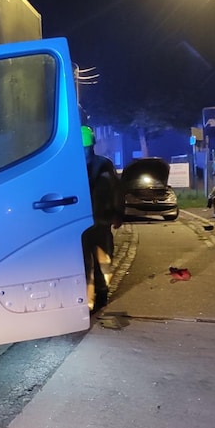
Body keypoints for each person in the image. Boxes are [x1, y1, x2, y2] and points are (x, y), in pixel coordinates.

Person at [81, 126, 122, 308]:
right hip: (100, 220)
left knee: (86, 261)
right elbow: (116, 192)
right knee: (103, 258)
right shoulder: (104, 164)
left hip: (82, 221)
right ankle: (101, 293)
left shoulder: (71, 166)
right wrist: (118, 214)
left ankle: (89, 299)